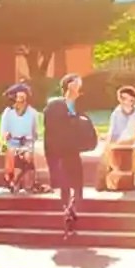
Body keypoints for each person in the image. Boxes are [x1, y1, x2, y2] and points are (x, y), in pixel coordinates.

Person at [43, 73, 94, 235]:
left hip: (73, 150)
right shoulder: (55, 105)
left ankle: (73, 209)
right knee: (64, 184)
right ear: (68, 85)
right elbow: (52, 128)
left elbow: (86, 126)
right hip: (59, 151)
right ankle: (67, 211)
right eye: (74, 83)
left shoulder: (80, 106)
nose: (78, 86)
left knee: (77, 183)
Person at [99, 86, 135, 190]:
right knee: (107, 149)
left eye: (130, 100)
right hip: (121, 143)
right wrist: (108, 144)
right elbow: (113, 133)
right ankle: (111, 177)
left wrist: (132, 136)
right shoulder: (116, 113)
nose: (126, 102)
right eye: (123, 99)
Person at [0, 82, 39, 193]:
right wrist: (5, 139)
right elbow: (3, 132)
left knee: (27, 155)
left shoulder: (33, 113)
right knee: (11, 152)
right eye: (18, 99)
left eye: (23, 99)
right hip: (11, 141)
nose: (20, 103)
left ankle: (22, 181)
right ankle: (10, 179)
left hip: (26, 142)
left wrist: (29, 142)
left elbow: (35, 133)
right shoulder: (8, 113)